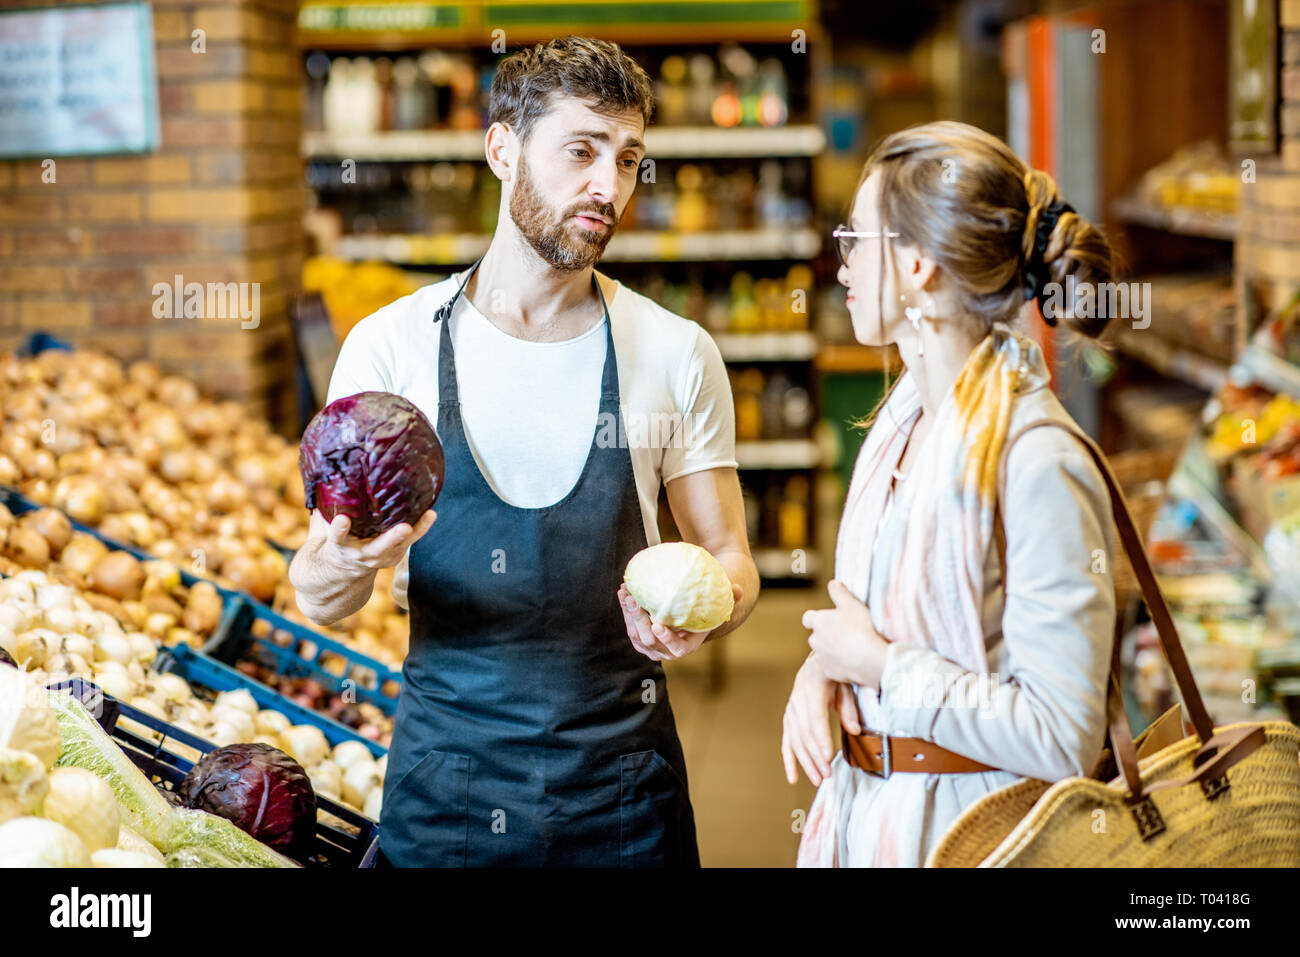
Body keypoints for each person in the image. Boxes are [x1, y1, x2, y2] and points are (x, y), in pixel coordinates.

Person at [289, 36, 759, 867]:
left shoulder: (675, 351)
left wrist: (707, 609)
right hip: (445, 798)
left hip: (624, 798)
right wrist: (348, 560)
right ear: (502, 149)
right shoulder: (390, 349)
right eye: (580, 151)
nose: (607, 186)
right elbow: (321, 599)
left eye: (627, 159)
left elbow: (733, 561)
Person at [781, 121, 1118, 867]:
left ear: (919, 262)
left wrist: (876, 667)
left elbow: (1063, 733)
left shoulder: (1036, 461)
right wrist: (824, 670)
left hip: (983, 840)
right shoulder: (901, 426)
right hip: (880, 820)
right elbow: (877, 618)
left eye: (856, 240)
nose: (840, 265)